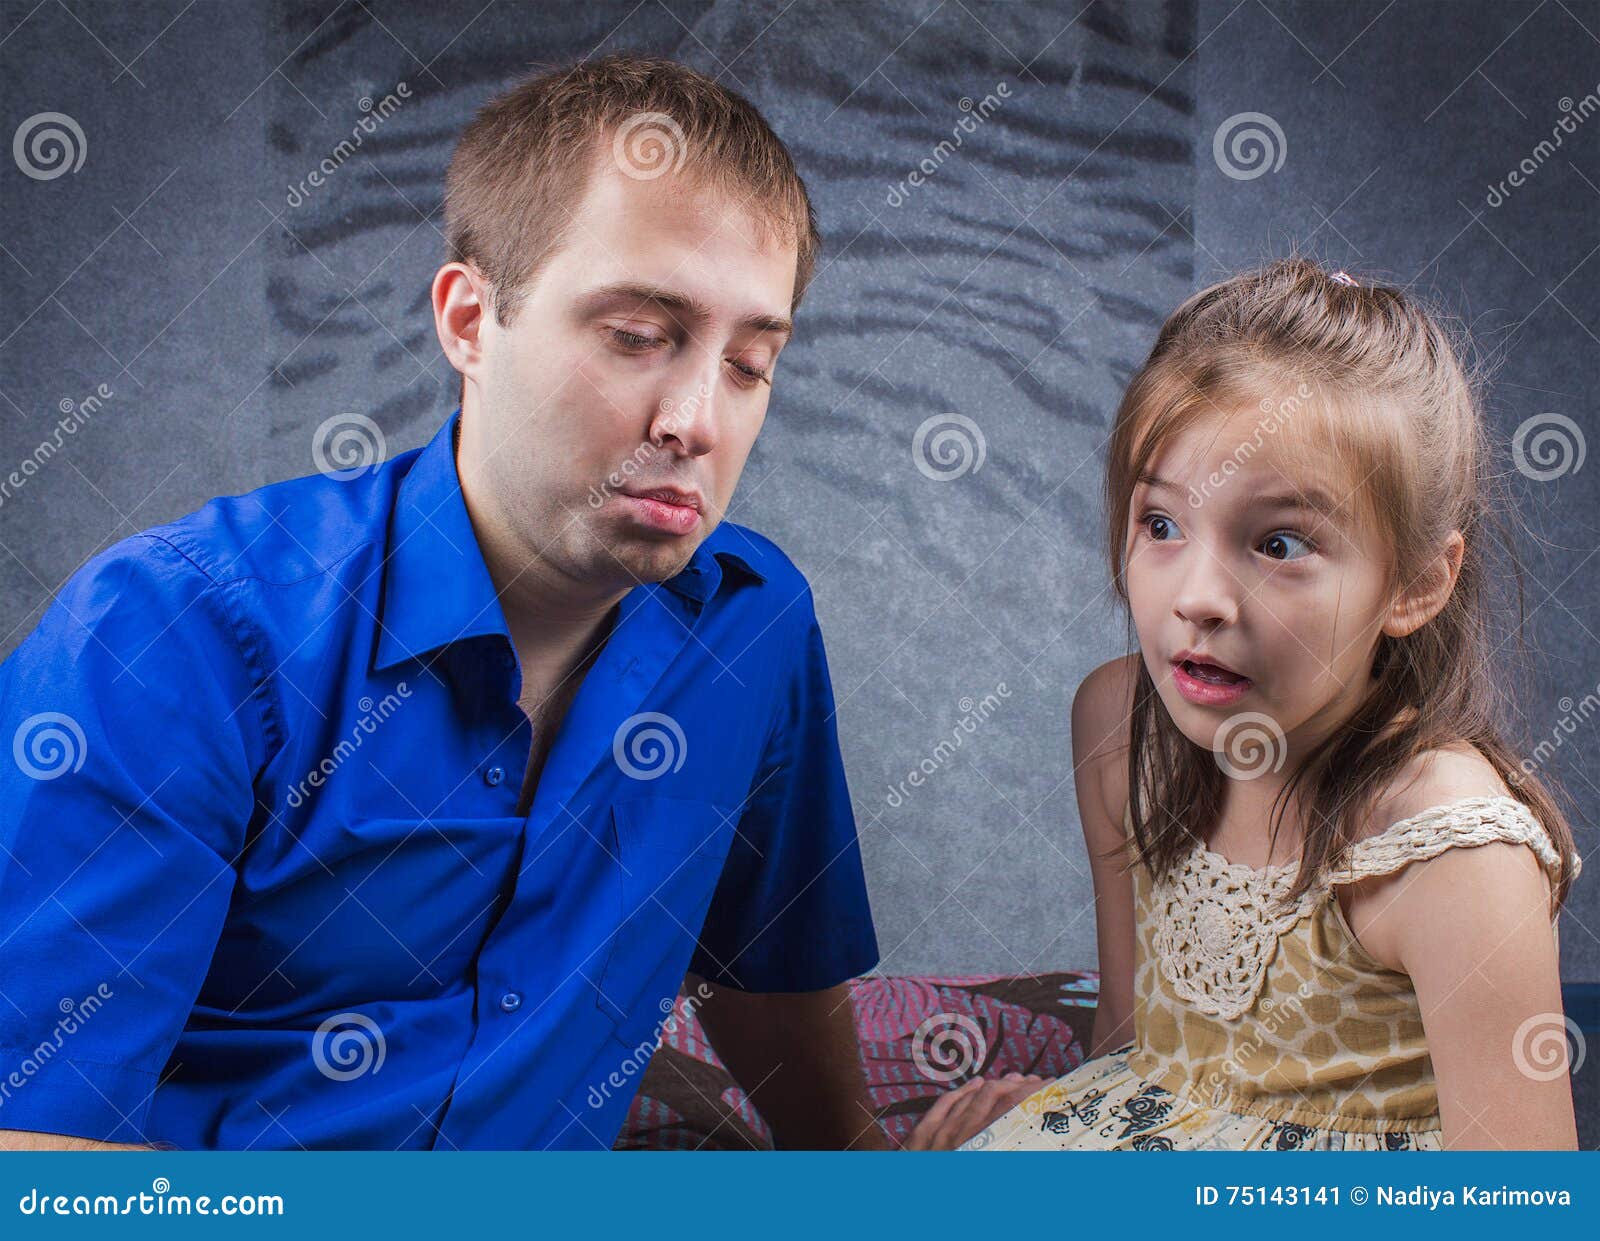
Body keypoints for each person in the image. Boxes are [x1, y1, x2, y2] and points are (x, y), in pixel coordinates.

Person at [0, 55, 886, 1151]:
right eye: (638, 336)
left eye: (750, 362)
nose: (696, 420)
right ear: (470, 320)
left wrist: (868, 1175)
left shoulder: (753, 627)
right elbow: (41, 1161)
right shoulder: (167, 632)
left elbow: (769, 966)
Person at [914, 258, 1585, 1151]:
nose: (1200, 597)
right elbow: (1132, 1037)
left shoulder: (1448, 844)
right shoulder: (1120, 728)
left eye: (1277, 542)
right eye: (1161, 524)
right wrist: (1052, 1131)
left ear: (1417, 583)